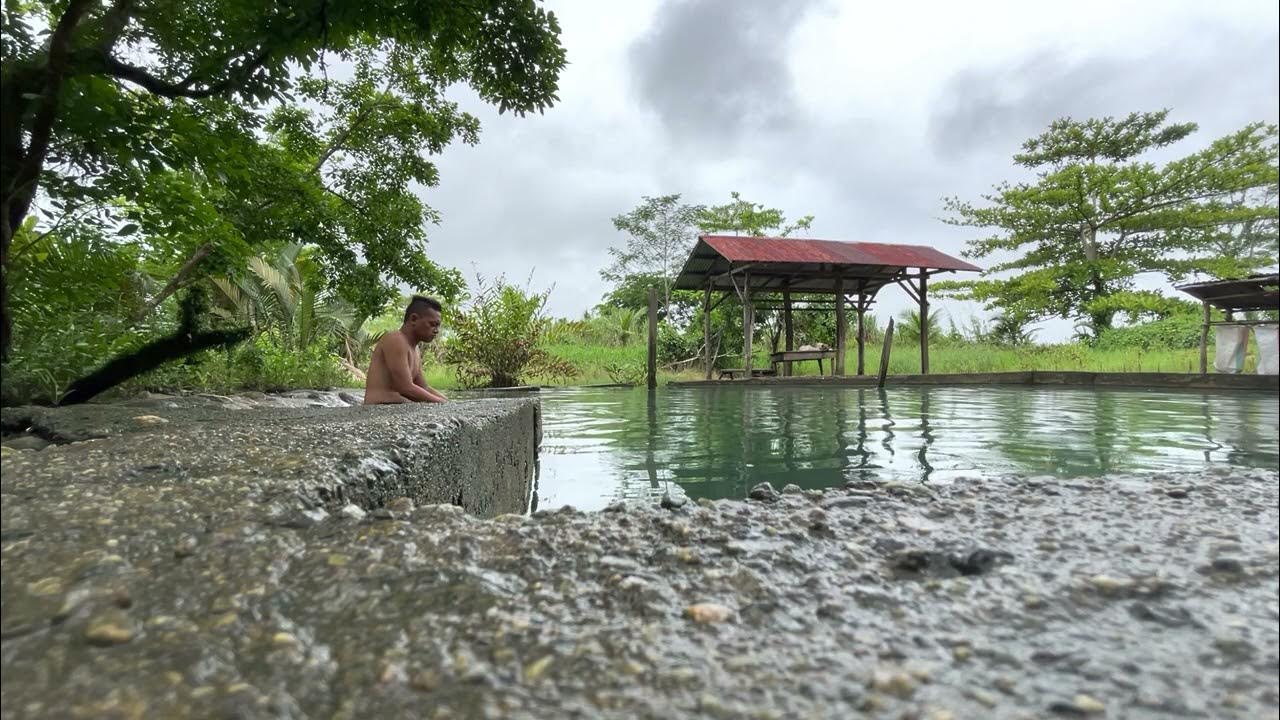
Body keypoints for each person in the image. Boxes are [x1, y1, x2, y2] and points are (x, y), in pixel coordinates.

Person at [364, 295, 448, 405]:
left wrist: (449, 403)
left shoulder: (415, 348)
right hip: (377, 408)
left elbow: (424, 388)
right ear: (414, 319)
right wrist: (443, 404)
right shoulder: (395, 339)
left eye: (438, 326)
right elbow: (405, 388)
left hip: (398, 407)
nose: (436, 331)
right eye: (432, 324)